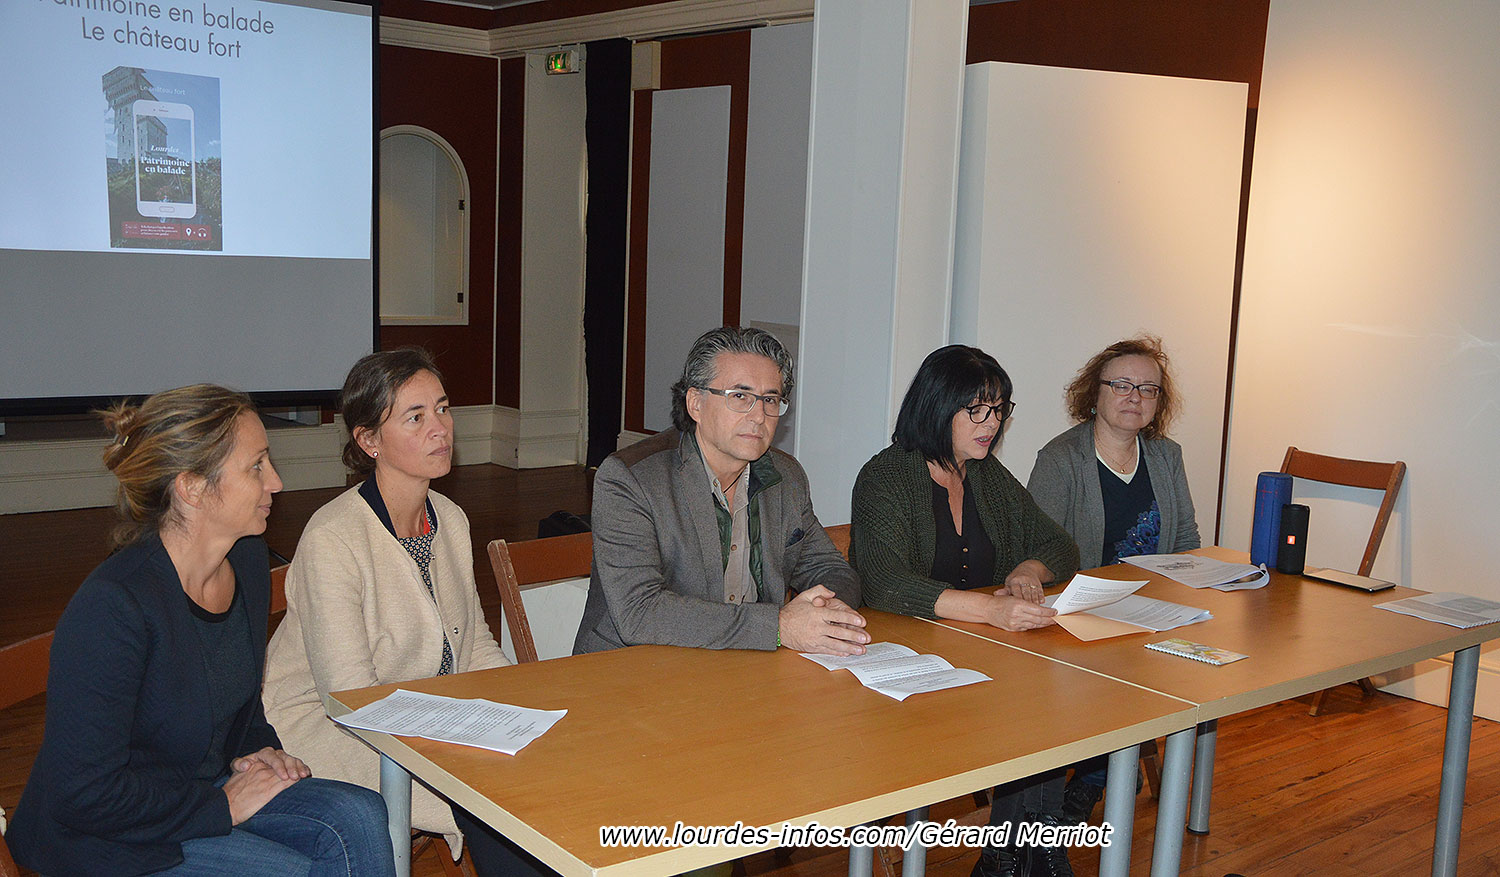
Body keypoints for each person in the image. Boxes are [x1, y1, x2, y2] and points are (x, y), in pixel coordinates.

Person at [7, 385, 394, 877]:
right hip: (108, 836)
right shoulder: (115, 607)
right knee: (293, 870)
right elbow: (84, 794)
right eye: (256, 466)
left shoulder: (247, 559)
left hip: (199, 788)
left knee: (360, 815)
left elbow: (237, 699)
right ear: (191, 487)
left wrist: (260, 749)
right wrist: (222, 808)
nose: (275, 482)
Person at [262, 349, 544, 876]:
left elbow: (473, 645)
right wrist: (460, 734)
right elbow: (351, 697)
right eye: (415, 418)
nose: (440, 428)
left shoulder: (451, 519)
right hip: (330, 728)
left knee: (539, 775)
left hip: (428, 719)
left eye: (442, 409)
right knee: (495, 808)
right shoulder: (333, 539)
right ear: (369, 441)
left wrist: (521, 709)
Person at [849, 345, 1080, 877]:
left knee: (1046, 699)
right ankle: (1023, 859)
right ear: (937, 407)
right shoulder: (887, 476)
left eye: (998, 410)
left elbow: (1060, 545)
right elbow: (883, 582)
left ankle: (1014, 858)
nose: (991, 424)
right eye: (976, 410)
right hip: (898, 663)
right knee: (1028, 705)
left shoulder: (986, 475)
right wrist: (986, 610)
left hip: (973, 651)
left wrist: (1027, 570)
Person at [573, 326, 866, 657]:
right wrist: (779, 627)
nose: (758, 416)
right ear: (696, 404)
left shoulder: (786, 476)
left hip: (745, 667)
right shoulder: (631, 478)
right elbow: (640, 612)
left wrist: (826, 612)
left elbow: (830, 569)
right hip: (635, 671)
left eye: (770, 399)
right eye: (739, 396)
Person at [1026, 334, 1201, 823]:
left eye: (1148, 389)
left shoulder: (1167, 456)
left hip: (1149, 607)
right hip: (1078, 613)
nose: (1134, 397)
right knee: (1106, 677)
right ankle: (1101, 775)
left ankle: (1099, 775)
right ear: (1094, 393)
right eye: (1121, 385)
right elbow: (1040, 548)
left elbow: (1185, 538)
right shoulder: (1061, 460)